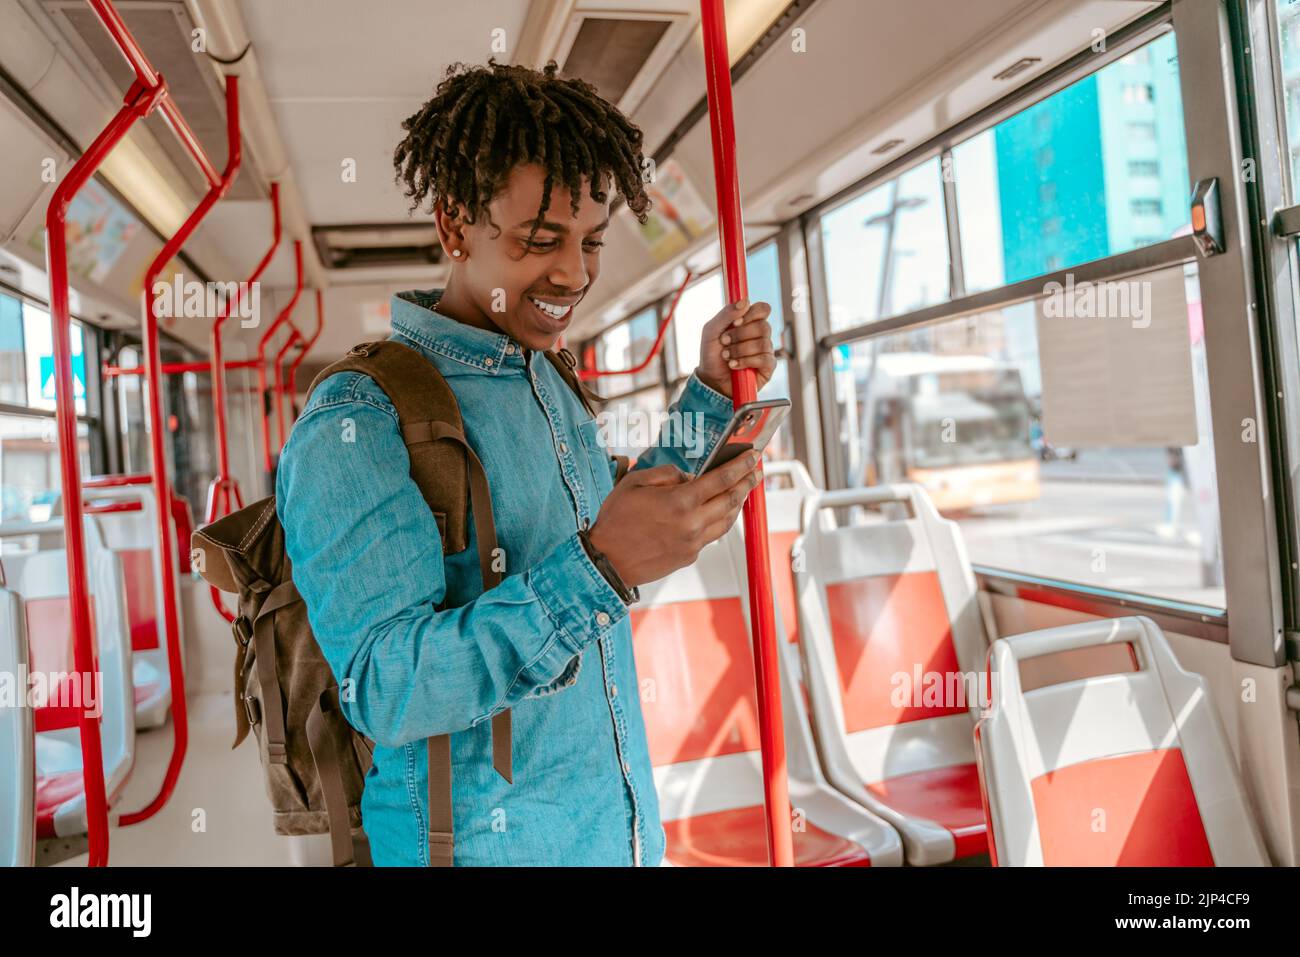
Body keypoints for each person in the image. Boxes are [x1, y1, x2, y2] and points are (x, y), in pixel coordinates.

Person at [276, 60, 777, 866]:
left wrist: (710, 395)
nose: (574, 273)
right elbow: (388, 687)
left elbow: (606, 521)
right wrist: (603, 565)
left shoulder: (549, 378)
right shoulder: (357, 419)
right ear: (453, 225)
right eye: (540, 240)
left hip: (617, 834)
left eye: (591, 242)